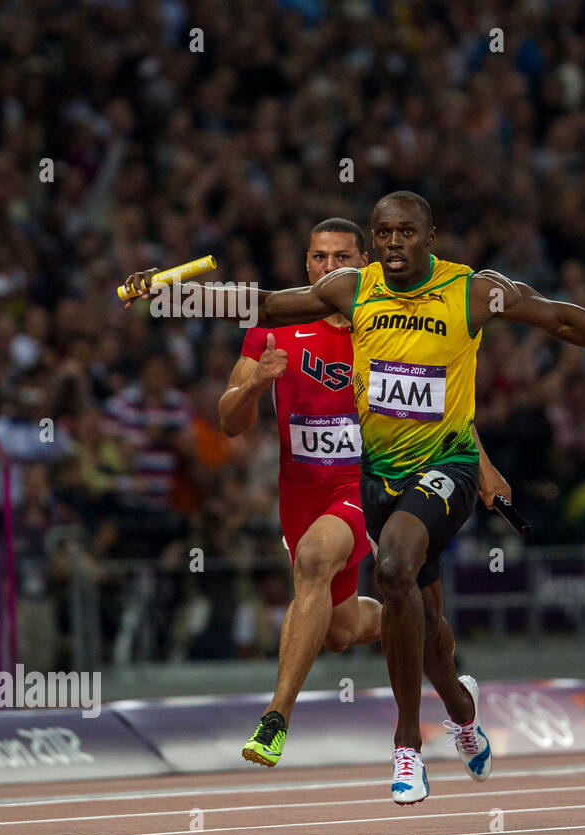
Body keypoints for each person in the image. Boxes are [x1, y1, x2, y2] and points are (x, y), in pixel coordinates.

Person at [121, 190, 585, 803]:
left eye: (407, 232)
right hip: (377, 475)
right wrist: (169, 293)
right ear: (374, 245)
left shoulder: (473, 291)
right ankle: (458, 705)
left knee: (391, 564)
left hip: (442, 466)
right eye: (385, 233)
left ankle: (402, 743)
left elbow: (559, 317)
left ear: (431, 236)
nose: (395, 243)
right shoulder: (355, 290)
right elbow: (261, 304)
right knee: (408, 620)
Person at [218, 218, 512, 768]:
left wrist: (484, 463)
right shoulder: (274, 329)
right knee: (339, 629)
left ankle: (275, 718)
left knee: (313, 562)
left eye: (342, 258)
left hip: (368, 480)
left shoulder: (382, 320)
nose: (330, 268)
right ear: (306, 266)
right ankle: (430, 649)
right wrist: (256, 383)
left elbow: (433, 404)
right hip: (299, 491)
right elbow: (229, 422)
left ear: (365, 265)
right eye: (319, 258)